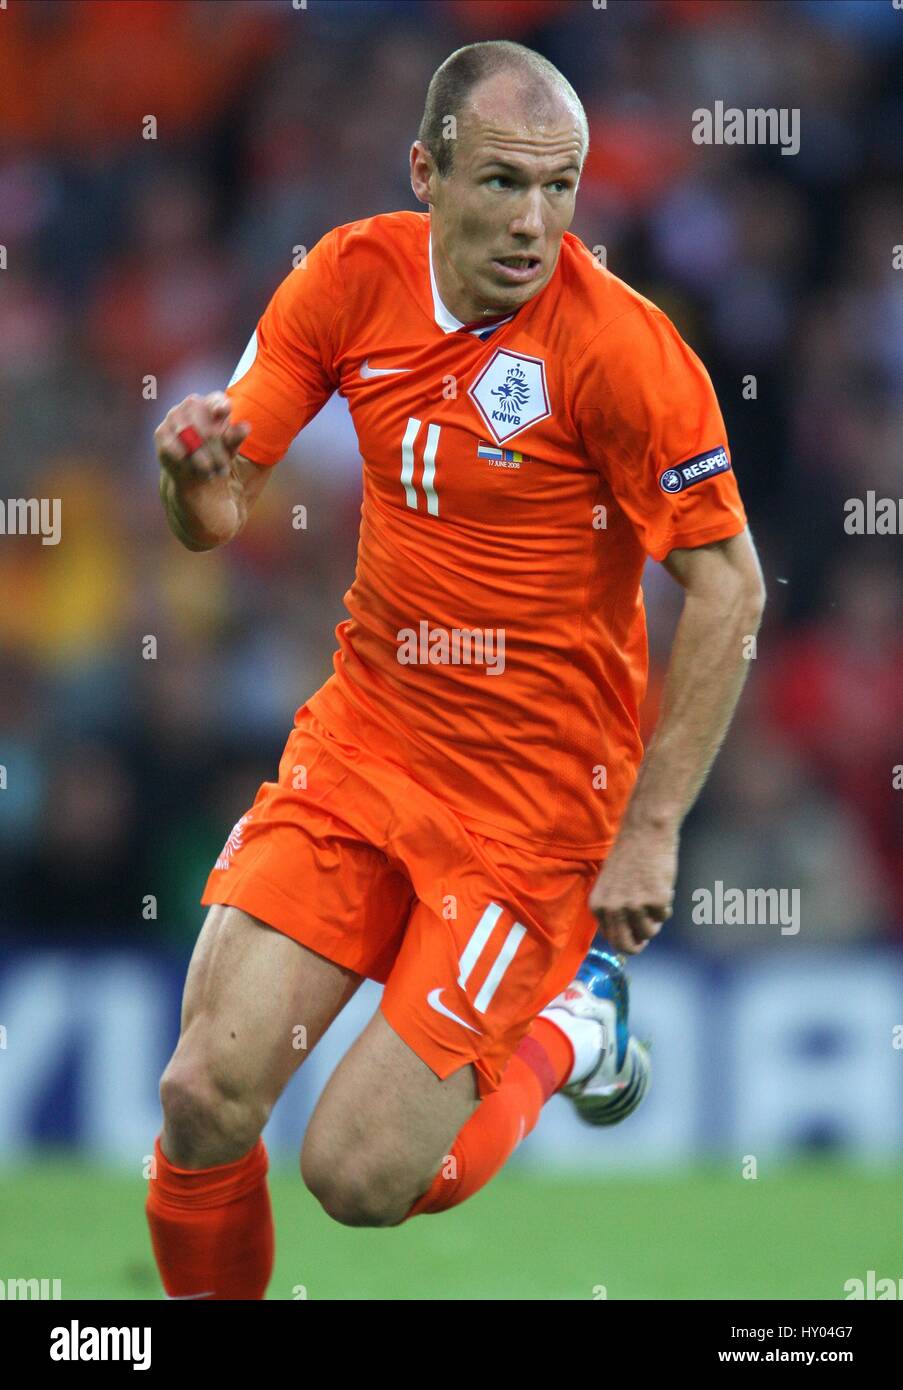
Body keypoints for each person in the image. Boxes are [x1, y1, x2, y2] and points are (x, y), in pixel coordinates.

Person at [148, 40, 765, 1300]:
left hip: (529, 812)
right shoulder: (346, 276)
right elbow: (218, 513)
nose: (536, 224)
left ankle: (572, 1027)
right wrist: (187, 477)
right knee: (204, 1094)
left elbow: (731, 583)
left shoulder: (625, 352)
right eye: (501, 184)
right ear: (424, 171)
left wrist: (651, 825)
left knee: (359, 1175)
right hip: (364, 744)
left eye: (562, 188)